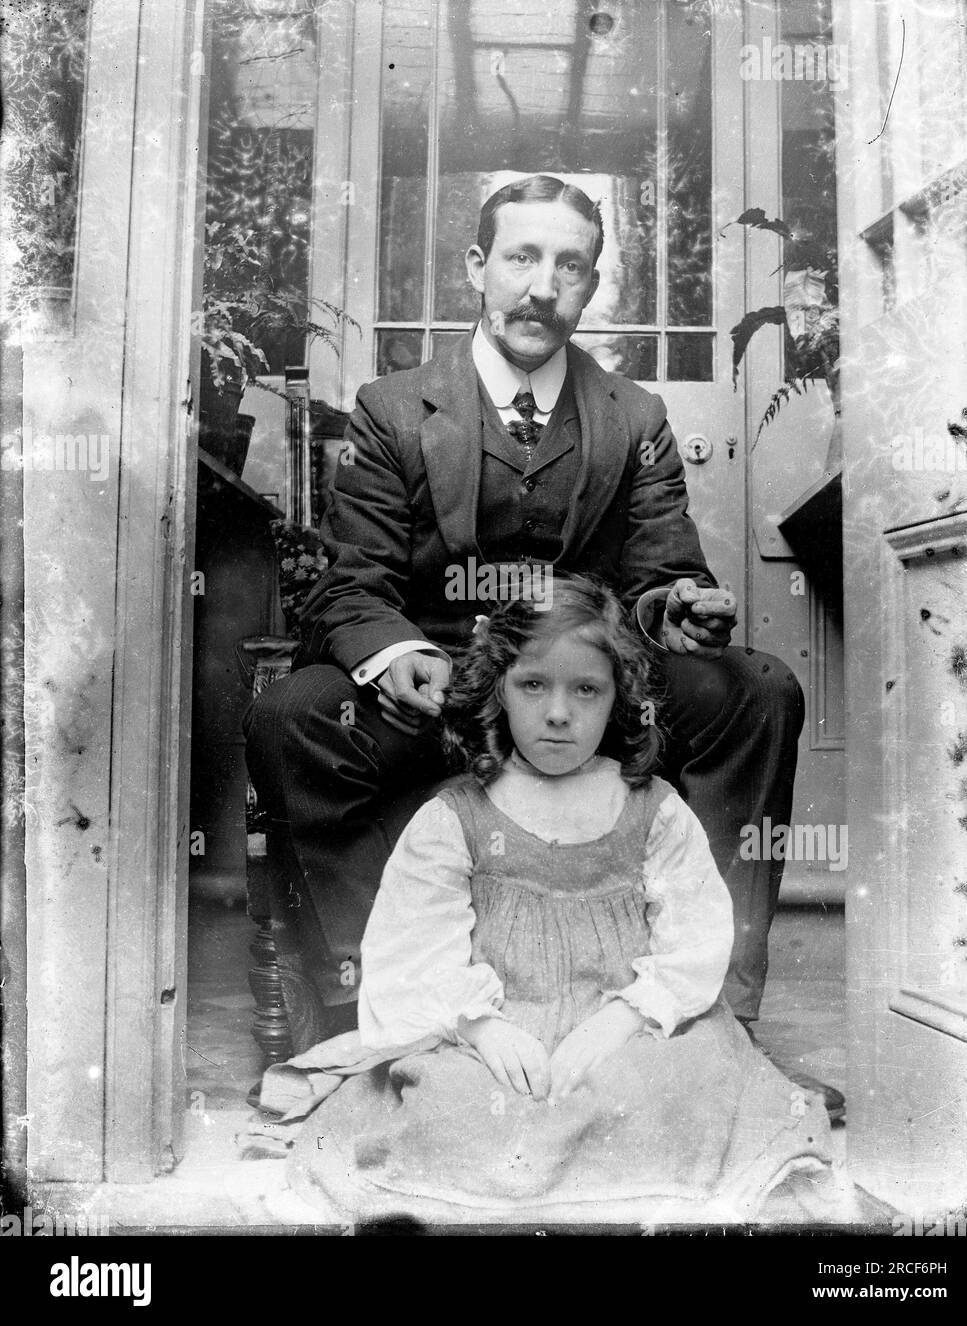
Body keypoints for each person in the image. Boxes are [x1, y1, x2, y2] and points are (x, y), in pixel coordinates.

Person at [245, 173, 841, 1111]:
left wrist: (675, 608)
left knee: (754, 690)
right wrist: (399, 656)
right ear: (479, 268)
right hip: (442, 694)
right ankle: (382, 1023)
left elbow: (653, 583)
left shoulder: (632, 417)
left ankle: (713, 1023)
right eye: (521, 257)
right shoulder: (393, 409)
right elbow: (349, 587)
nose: (541, 285)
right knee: (294, 716)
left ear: (591, 284)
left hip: (582, 691)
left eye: (569, 265)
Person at [260, 577, 835, 1225]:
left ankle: (616, 1183)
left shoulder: (653, 811)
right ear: (496, 691)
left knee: (680, 1086)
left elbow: (694, 939)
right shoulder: (458, 816)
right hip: (491, 1027)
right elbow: (413, 945)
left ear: (620, 699)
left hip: (620, 1024)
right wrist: (482, 1028)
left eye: (585, 689)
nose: (558, 712)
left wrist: (617, 1023)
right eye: (533, 685)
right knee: (448, 1103)